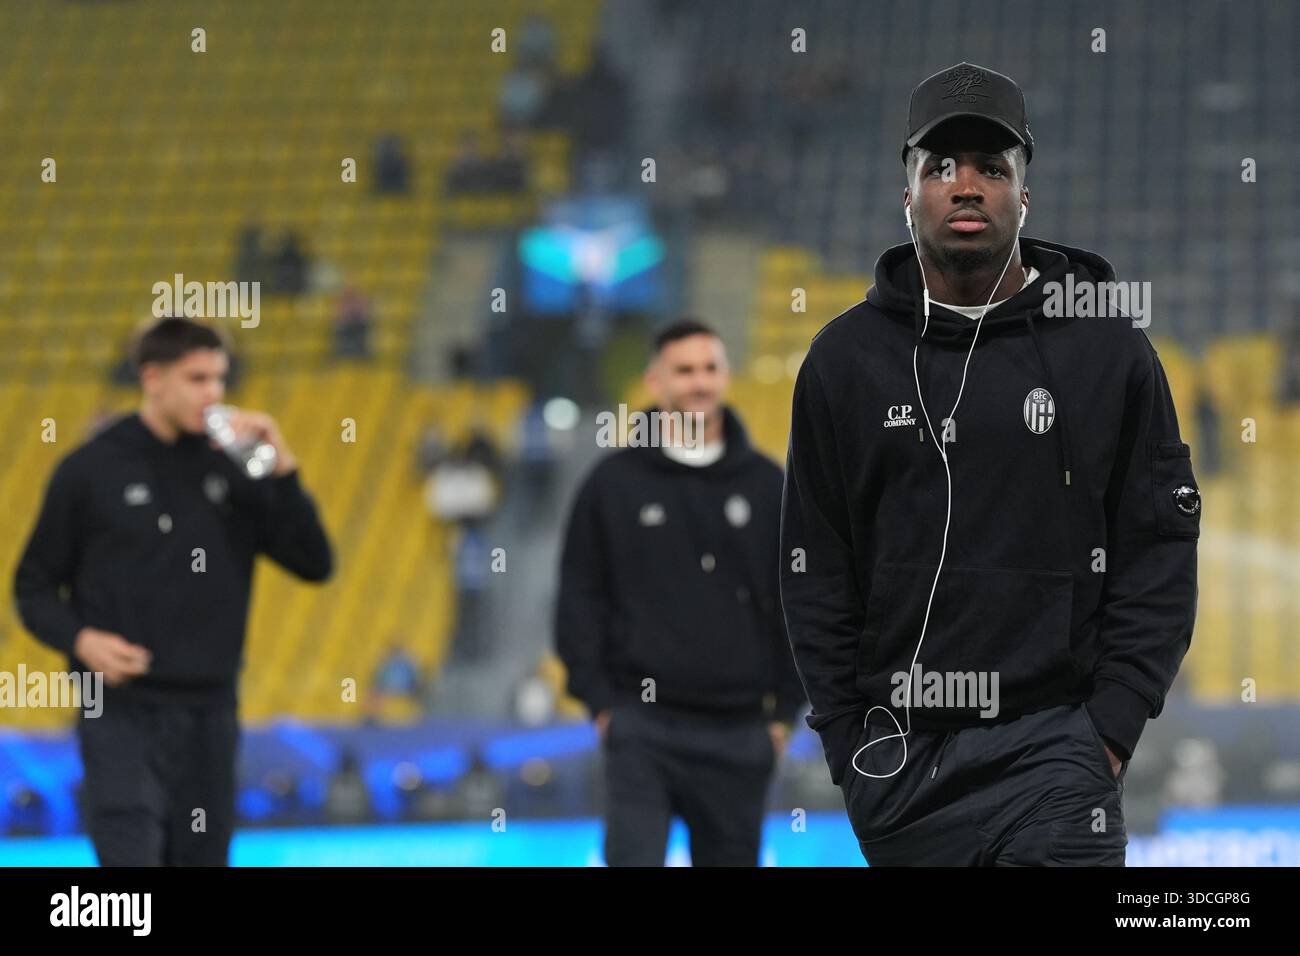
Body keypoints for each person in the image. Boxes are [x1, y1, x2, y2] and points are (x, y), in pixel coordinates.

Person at [780, 62, 1200, 866]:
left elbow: (1159, 546)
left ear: (1023, 196)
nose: (965, 186)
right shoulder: (844, 362)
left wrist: (1108, 732)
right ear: (907, 195)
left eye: (990, 168)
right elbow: (814, 569)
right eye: (940, 167)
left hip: (1055, 758)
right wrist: (846, 744)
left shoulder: (1106, 346)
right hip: (900, 769)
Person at [13, 316, 333, 865]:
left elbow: (314, 563)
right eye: (197, 379)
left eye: (219, 380)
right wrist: (82, 641)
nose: (213, 395)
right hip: (119, 708)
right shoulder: (91, 469)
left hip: (210, 711)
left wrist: (284, 470)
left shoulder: (234, 467)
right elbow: (33, 585)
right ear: (152, 377)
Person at [555, 319, 806, 866]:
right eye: (684, 370)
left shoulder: (767, 486)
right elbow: (578, 597)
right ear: (655, 381)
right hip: (642, 730)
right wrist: (600, 703)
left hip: (741, 732)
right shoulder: (612, 483)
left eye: (709, 368)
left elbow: (799, 603)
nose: (699, 382)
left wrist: (783, 712)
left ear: (725, 377)